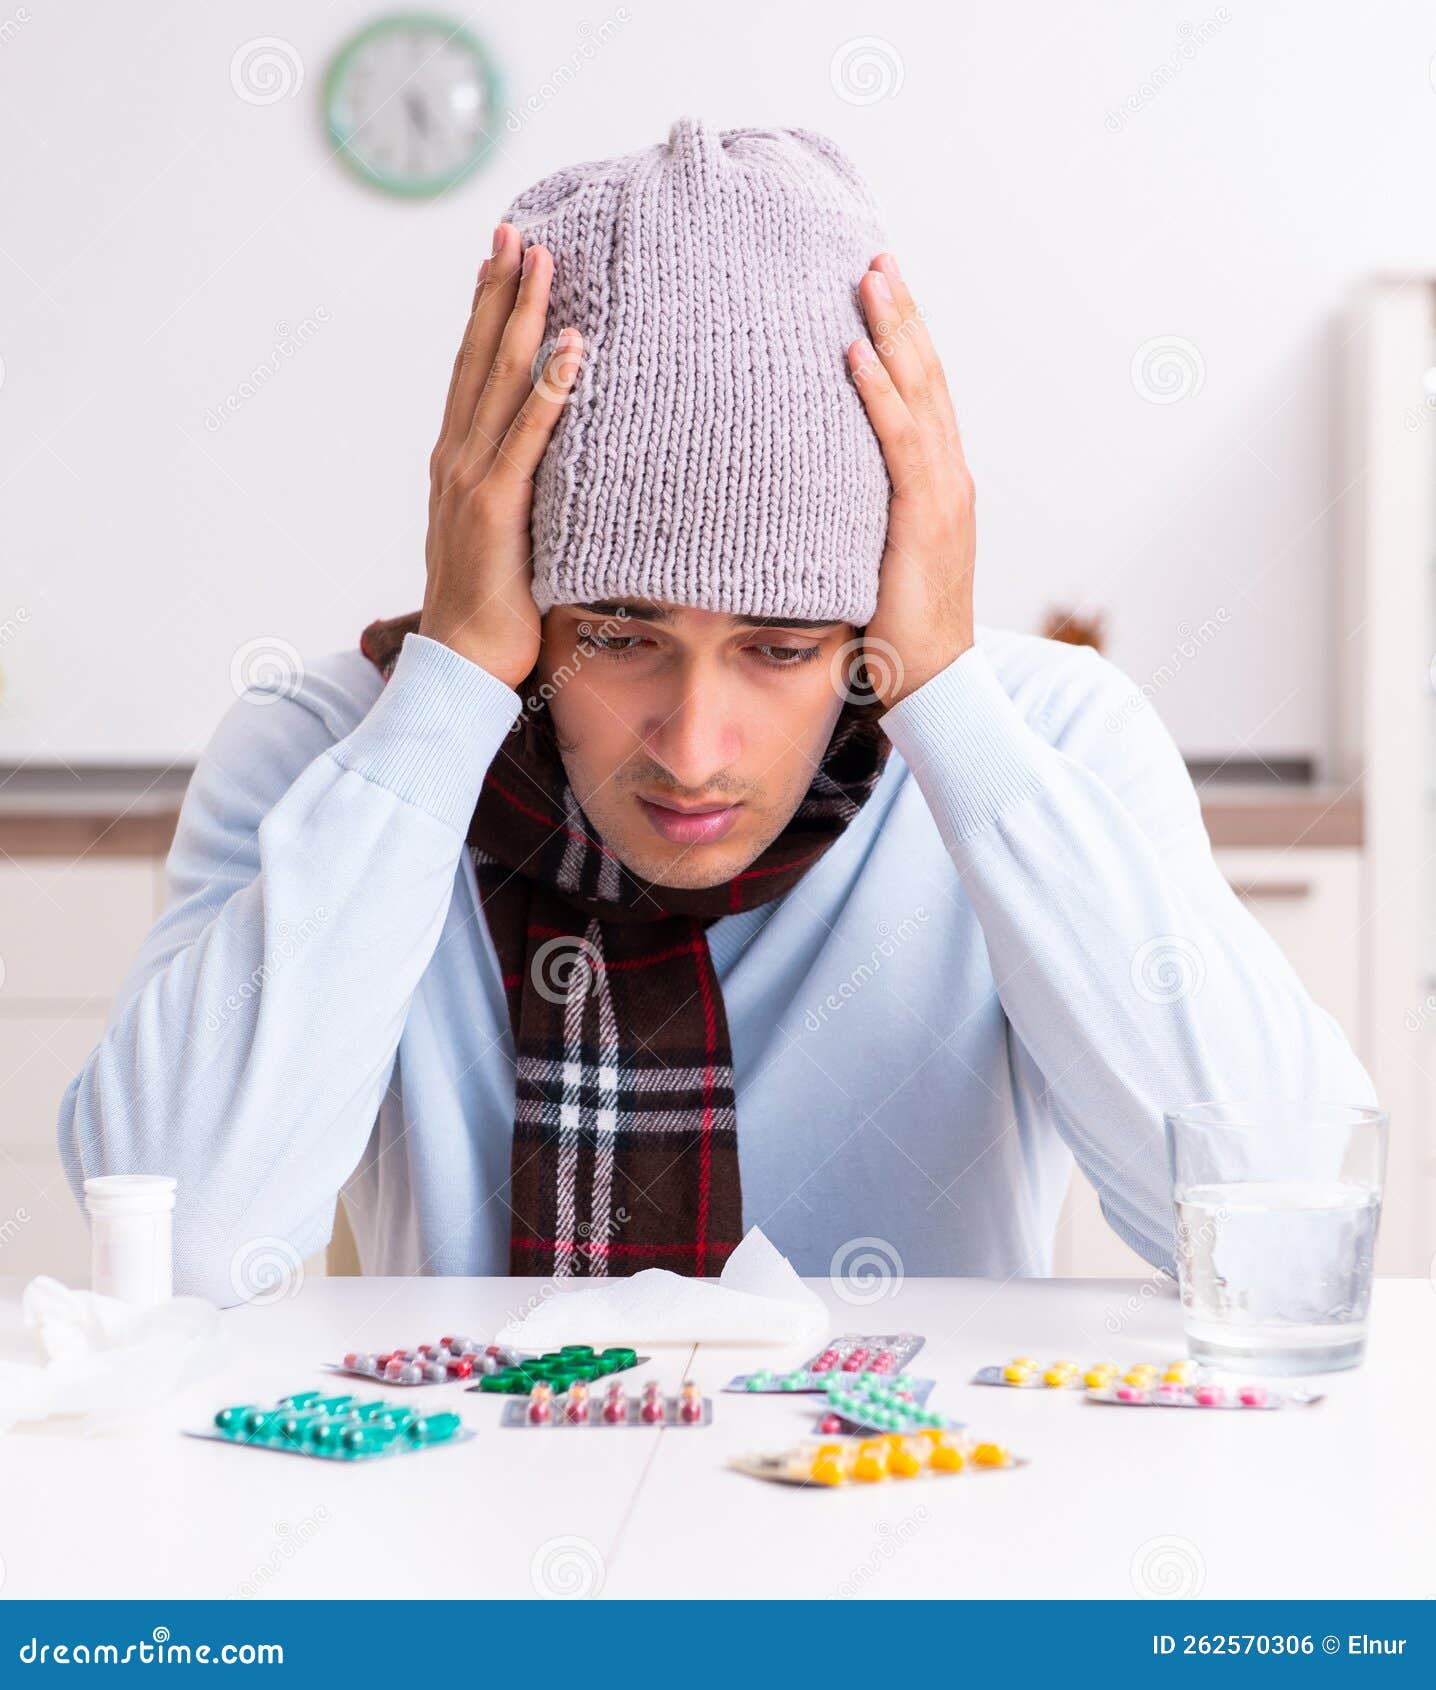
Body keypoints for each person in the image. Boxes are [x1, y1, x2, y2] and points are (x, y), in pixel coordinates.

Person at [60, 120, 1371, 1304]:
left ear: (869, 611)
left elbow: (1280, 1224)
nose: (695, 748)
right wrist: (449, 688)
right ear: (513, 577)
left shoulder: (1043, 743)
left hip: (927, 1527)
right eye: (620, 636)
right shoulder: (332, 749)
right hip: (466, 1535)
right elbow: (177, 1248)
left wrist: (953, 707)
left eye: (782, 646)